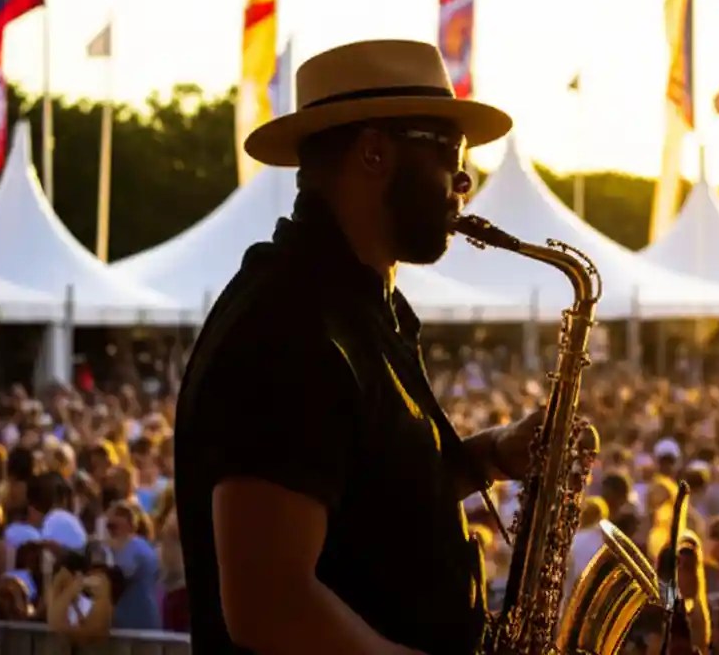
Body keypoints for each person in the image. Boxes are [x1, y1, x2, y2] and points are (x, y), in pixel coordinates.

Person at [175, 39, 548, 655]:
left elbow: (367, 504)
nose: (464, 180)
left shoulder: (365, 309)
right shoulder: (287, 326)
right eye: (449, 155)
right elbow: (269, 606)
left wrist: (488, 457)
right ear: (374, 152)